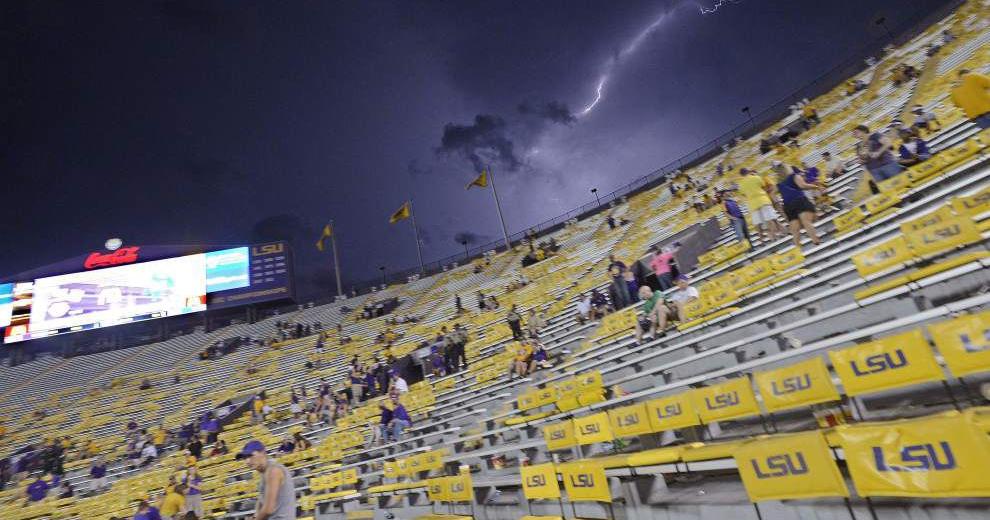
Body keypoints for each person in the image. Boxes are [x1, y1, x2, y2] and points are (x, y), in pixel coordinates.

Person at [237, 440, 297, 520]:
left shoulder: (273, 471)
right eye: (245, 458)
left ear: (263, 452)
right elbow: (261, 499)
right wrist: (255, 516)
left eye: (250, 455)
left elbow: (268, 509)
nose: (247, 461)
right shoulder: (265, 471)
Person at [774, 163, 822, 247]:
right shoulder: (794, 176)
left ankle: (797, 249)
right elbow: (803, 185)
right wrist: (816, 187)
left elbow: (772, 194)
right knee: (806, 222)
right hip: (799, 200)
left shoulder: (778, 184)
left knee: (795, 230)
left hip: (788, 206)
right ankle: (816, 242)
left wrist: (777, 204)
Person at [736, 168, 783, 242]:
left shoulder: (740, 184)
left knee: (758, 223)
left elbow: (743, 194)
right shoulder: (756, 177)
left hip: (752, 203)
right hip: (763, 200)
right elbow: (763, 187)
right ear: (748, 172)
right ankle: (774, 236)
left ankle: (761, 239)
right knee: (770, 219)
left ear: (741, 175)